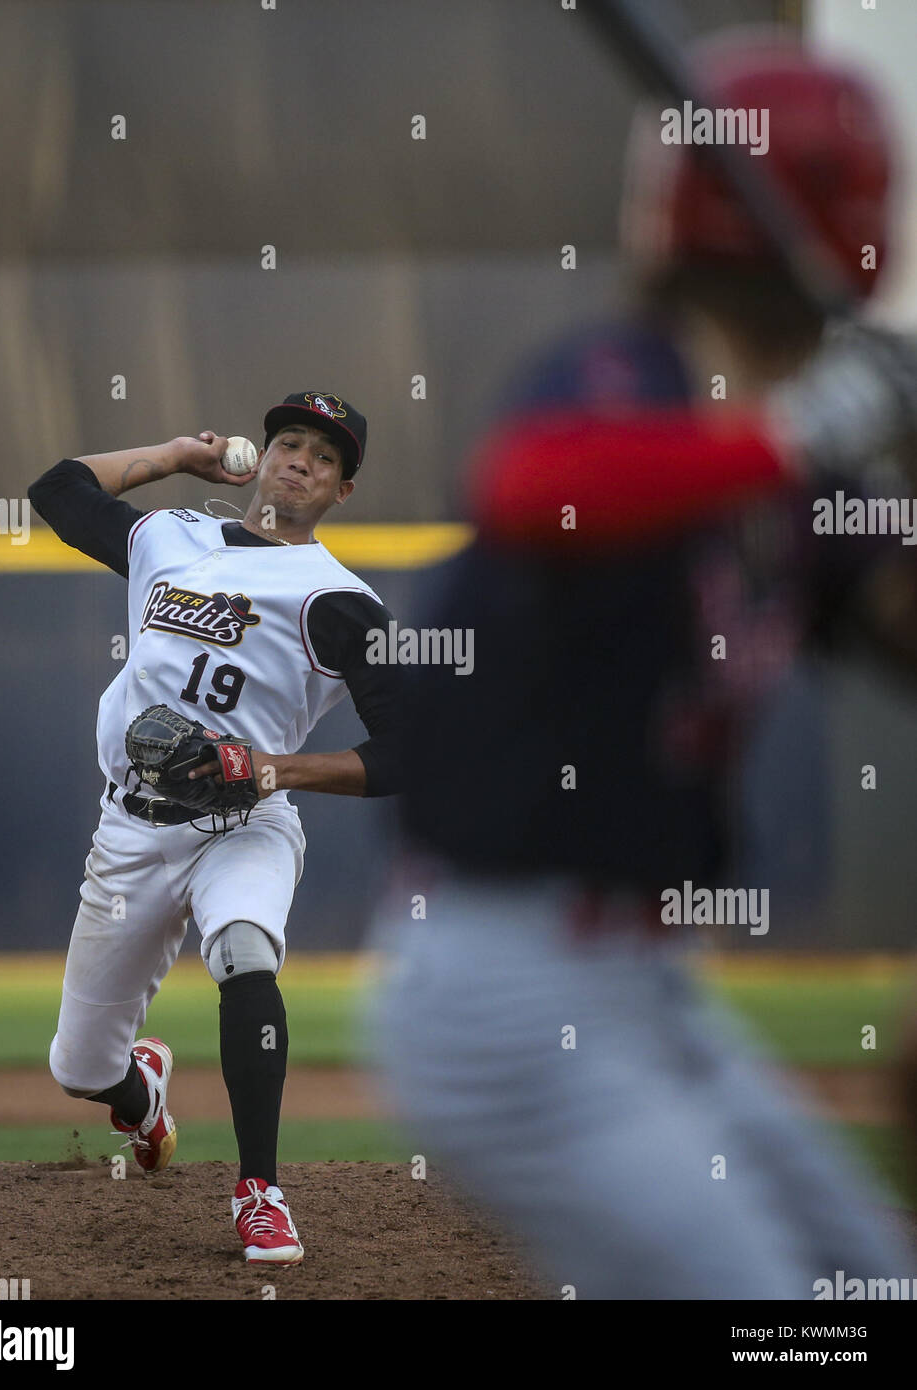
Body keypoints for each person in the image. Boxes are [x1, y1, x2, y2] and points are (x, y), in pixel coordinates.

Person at [370, 32, 917, 1298]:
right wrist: (803, 434)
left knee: (865, 1286)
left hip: (648, 989)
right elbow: (533, 481)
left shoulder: (794, 476)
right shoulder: (629, 382)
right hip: (511, 995)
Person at [29, 391, 401, 1265]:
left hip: (245, 821)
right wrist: (170, 454)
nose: (301, 459)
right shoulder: (170, 538)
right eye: (290, 442)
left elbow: (415, 754)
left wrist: (272, 771)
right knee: (79, 1069)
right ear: (260, 457)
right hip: (130, 833)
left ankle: (260, 1192)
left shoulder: (340, 603)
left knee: (243, 948)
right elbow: (57, 489)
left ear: (341, 491)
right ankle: (142, 1091)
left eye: (325, 456)